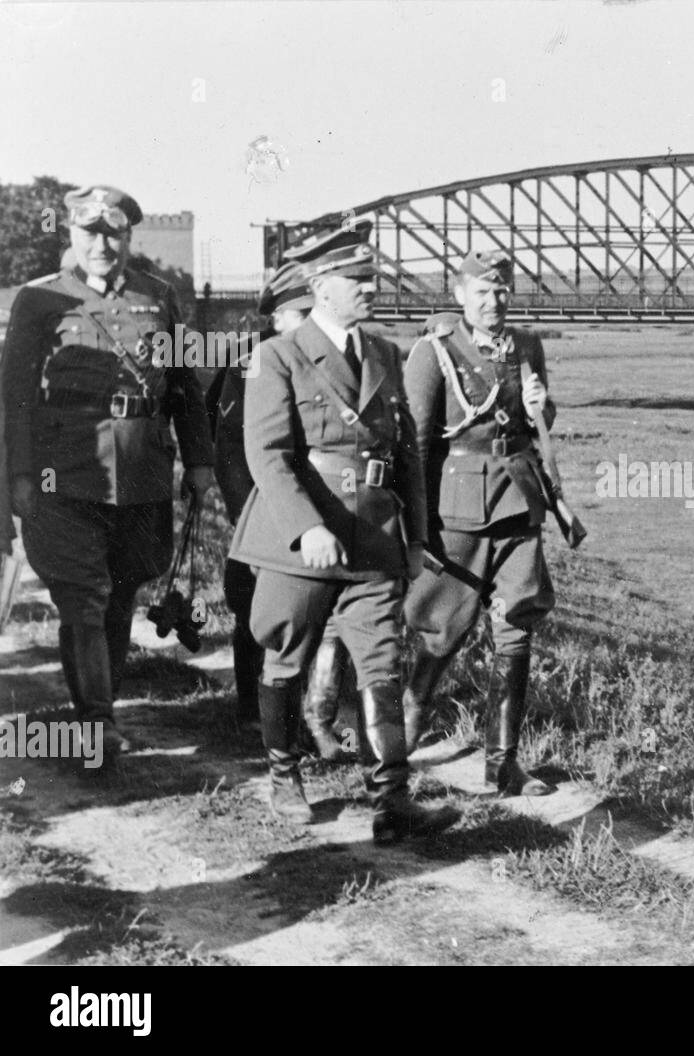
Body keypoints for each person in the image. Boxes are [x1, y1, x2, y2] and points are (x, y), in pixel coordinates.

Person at [227, 220, 457, 843]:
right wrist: (305, 527)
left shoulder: (383, 352)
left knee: (382, 662)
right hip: (302, 538)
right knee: (286, 653)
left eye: (370, 276)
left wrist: (414, 539)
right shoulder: (279, 355)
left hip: (375, 536)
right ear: (322, 288)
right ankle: (284, 778)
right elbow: (268, 454)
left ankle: (392, 802)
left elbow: (405, 454)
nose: (369, 287)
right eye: (357, 279)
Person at [1, 185, 214, 755]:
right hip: (64, 472)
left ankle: (103, 711)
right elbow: (16, 397)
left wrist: (198, 459)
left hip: (142, 468)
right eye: (89, 232)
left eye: (112, 232)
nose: (100, 244)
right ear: (71, 235)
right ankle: (97, 723)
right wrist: (19, 476)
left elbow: (186, 387)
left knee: (120, 592)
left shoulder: (159, 296)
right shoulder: (39, 300)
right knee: (83, 595)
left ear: (127, 236)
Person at [402, 250, 558, 797]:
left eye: (502, 292)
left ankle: (503, 762)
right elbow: (417, 444)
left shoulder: (528, 347)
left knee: (517, 621)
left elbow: (535, 421)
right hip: (457, 504)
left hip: (518, 498)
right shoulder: (434, 351)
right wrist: (415, 526)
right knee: (444, 624)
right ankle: (410, 716)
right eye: (483, 293)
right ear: (461, 294)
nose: (494, 302)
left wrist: (543, 406)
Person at [206, 262, 350, 752]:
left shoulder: (337, 357)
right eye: (302, 312)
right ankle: (255, 714)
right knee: (258, 609)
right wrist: (259, 515)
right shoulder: (253, 362)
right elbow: (231, 450)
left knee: (333, 614)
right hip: (266, 507)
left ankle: (319, 719)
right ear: (276, 317)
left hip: (328, 509)